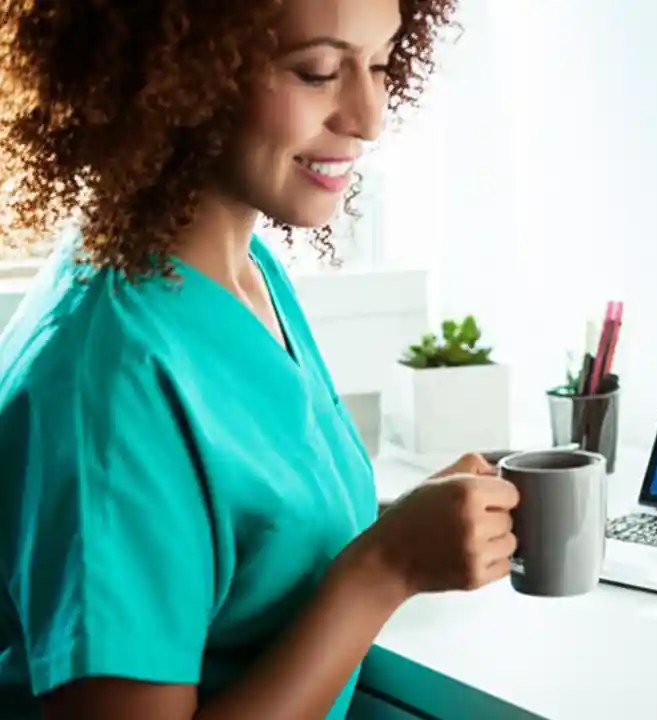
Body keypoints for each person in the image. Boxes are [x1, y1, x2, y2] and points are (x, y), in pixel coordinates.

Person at [0, 1, 520, 718]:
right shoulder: (111, 385)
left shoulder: (242, 273)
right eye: (317, 72)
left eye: (379, 63)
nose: (369, 118)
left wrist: (412, 528)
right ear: (178, 73)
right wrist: (385, 567)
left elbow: (248, 539)